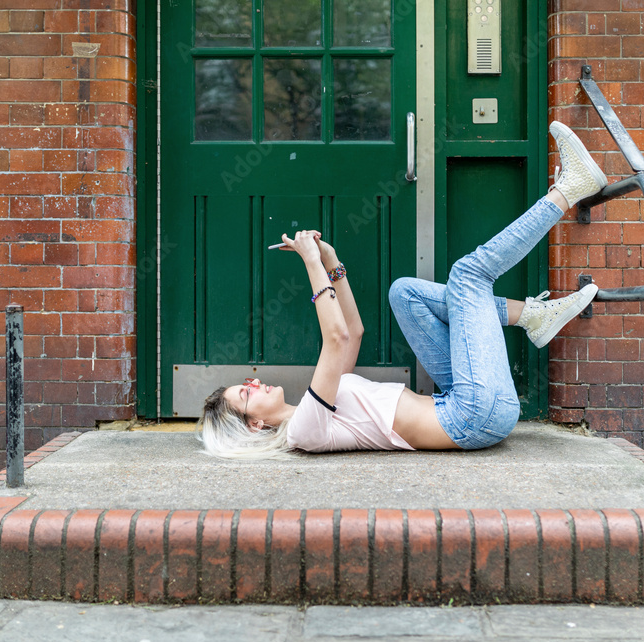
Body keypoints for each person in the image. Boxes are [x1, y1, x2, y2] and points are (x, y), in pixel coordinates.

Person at [199, 122, 608, 459]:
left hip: (464, 403)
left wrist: (331, 261)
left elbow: (354, 332)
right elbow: (336, 336)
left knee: (404, 294)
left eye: (246, 382)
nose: (253, 382)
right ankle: (569, 190)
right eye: (245, 394)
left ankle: (532, 317)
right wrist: (309, 262)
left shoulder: (316, 405)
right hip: (474, 414)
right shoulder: (304, 430)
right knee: (468, 276)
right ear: (254, 424)